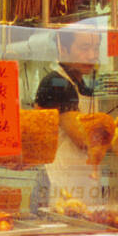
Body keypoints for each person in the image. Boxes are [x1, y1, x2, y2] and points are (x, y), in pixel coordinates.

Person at [32, 26, 101, 208]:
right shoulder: (57, 83)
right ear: (63, 48)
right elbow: (83, 138)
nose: (92, 55)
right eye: (84, 48)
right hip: (58, 184)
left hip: (80, 182)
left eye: (96, 48)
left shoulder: (81, 83)